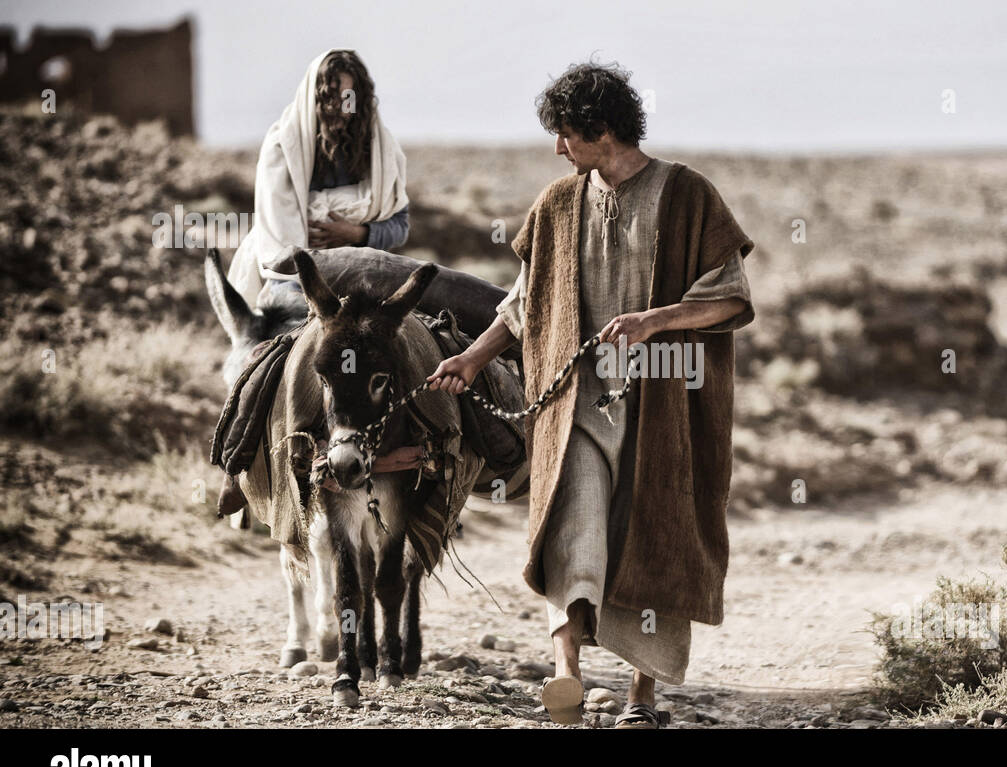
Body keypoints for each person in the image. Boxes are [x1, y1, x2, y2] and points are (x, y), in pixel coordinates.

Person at [427, 61, 755, 729]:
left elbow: (729, 296)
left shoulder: (689, 196)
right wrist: (469, 357)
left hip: (665, 408)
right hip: (575, 403)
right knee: (569, 527)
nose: (558, 149)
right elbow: (522, 307)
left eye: (564, 134)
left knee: (652, 535)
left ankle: (642, 695)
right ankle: (566, 676)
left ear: (602, 130)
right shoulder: (556, 205)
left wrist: (655, 321)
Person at [227, 49, 409, 308]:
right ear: (313, 98)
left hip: (363, 272)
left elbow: (400, 225)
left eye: (347, 98)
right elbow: (280, 246)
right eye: (328, 98)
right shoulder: (283, 148)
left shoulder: (380, 151)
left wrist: (357, 233)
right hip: (292, 278)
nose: (338, 108)